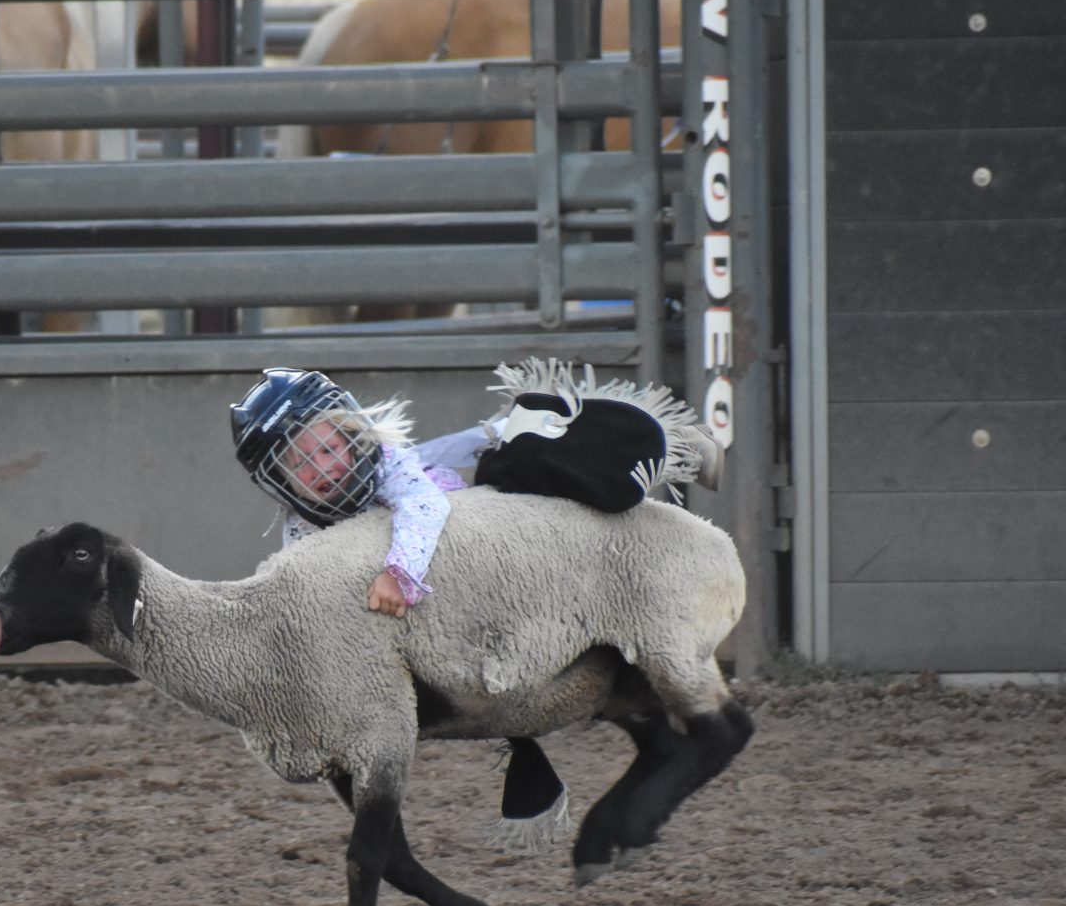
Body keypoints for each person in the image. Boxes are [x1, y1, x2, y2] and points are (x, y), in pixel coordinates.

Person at [227, 359, 718, 850]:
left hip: (465, 550)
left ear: (350, 430)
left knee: (530, 464)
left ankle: (671, 442)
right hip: (424, 602)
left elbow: (424, 507)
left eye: (330, 448)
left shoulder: (388, 464)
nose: (324, 469)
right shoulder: (301, 527)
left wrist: (400, 573)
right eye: (300, 464)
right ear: (279, 481)